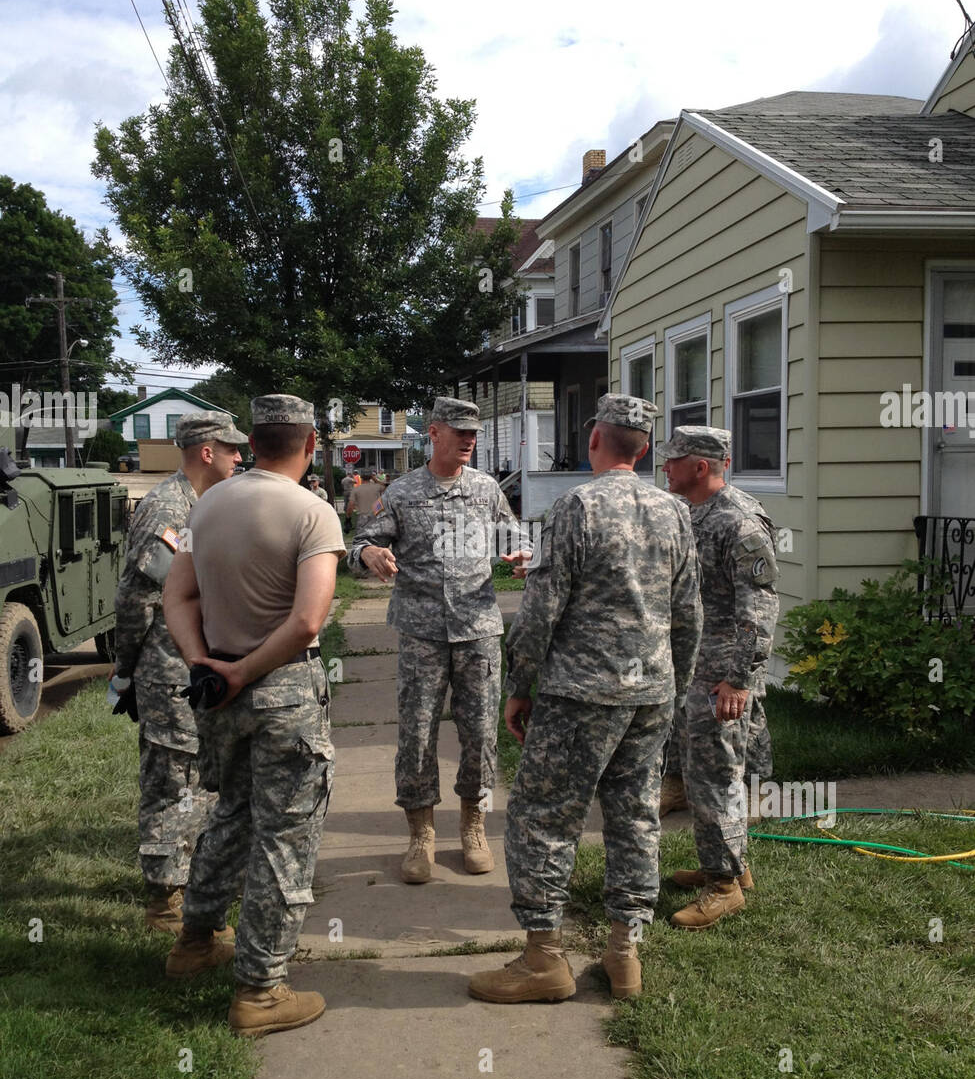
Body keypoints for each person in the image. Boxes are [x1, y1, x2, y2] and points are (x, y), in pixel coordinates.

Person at [468, 394, 703, 1004]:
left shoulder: (575, 506)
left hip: (581, 694)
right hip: (650, 693)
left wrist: (519, 687)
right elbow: (689, 613)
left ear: (595, 437)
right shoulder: (674, 512)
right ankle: (624, 956)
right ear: (646, 448)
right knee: (634, 818)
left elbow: (542, 609)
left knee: (544, 818)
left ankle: (544, 959)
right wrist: (673, 683)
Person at [162, 394, 346, 1037]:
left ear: (256, 439)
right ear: (310, 442)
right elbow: (306, 622)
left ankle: (195, 941)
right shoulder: (313, 513)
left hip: (218, 689)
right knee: (285, 836)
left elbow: (175, 593)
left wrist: (203, 662)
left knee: (232, 812)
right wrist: (244, 672)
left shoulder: (206, 505)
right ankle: (261, 989)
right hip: (281, 694)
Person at [348, 396, 532, 882]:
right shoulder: (403, 492)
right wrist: (368, 555)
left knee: (479, 735)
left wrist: (519, 553)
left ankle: (473, 825)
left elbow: (511, 535)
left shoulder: (486, 489)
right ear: (434, 433)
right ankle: (421, 833)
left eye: (474, 433)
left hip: (477, 630)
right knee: (417, 732)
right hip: (421, 633)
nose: (470, 440)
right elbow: (360, 542)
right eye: (460, 432)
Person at [113, 411, 249, 934]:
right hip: (167, 669)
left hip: (200, 667)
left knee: (205, 775)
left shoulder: (208, 505)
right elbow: (136, 597)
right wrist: (125, 671)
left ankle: (196, 875)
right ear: (206, 452)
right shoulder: (168, 508)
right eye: (231, 449)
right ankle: (163, 899)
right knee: (172, 777)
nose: (240, 457)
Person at [658, 426, 779, 928]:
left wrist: (738, 680)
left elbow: (761, 607)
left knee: (715, 780)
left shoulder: (739, 521)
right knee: (702, 774)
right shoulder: (691, 513)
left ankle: (724, 886)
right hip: (694, 669)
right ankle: (732, 866)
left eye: (673, 460)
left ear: (701, 466)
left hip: (720, 678)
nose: (665, 467)